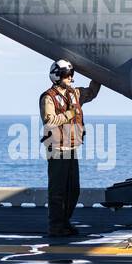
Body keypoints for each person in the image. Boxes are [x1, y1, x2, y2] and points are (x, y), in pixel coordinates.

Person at [39, 59, 100, 237]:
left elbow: (92, 93)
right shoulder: (48, 97)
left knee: (73, 190)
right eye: (67, 74)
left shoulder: (75, 93)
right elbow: (49, 120)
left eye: (71, 74)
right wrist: (70, 114)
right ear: (57, 76)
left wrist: (99, 75)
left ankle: (65, 222)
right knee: (58, 190)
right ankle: (55, 226)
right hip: (57, 148)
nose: (70, 77)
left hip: (71, 146)